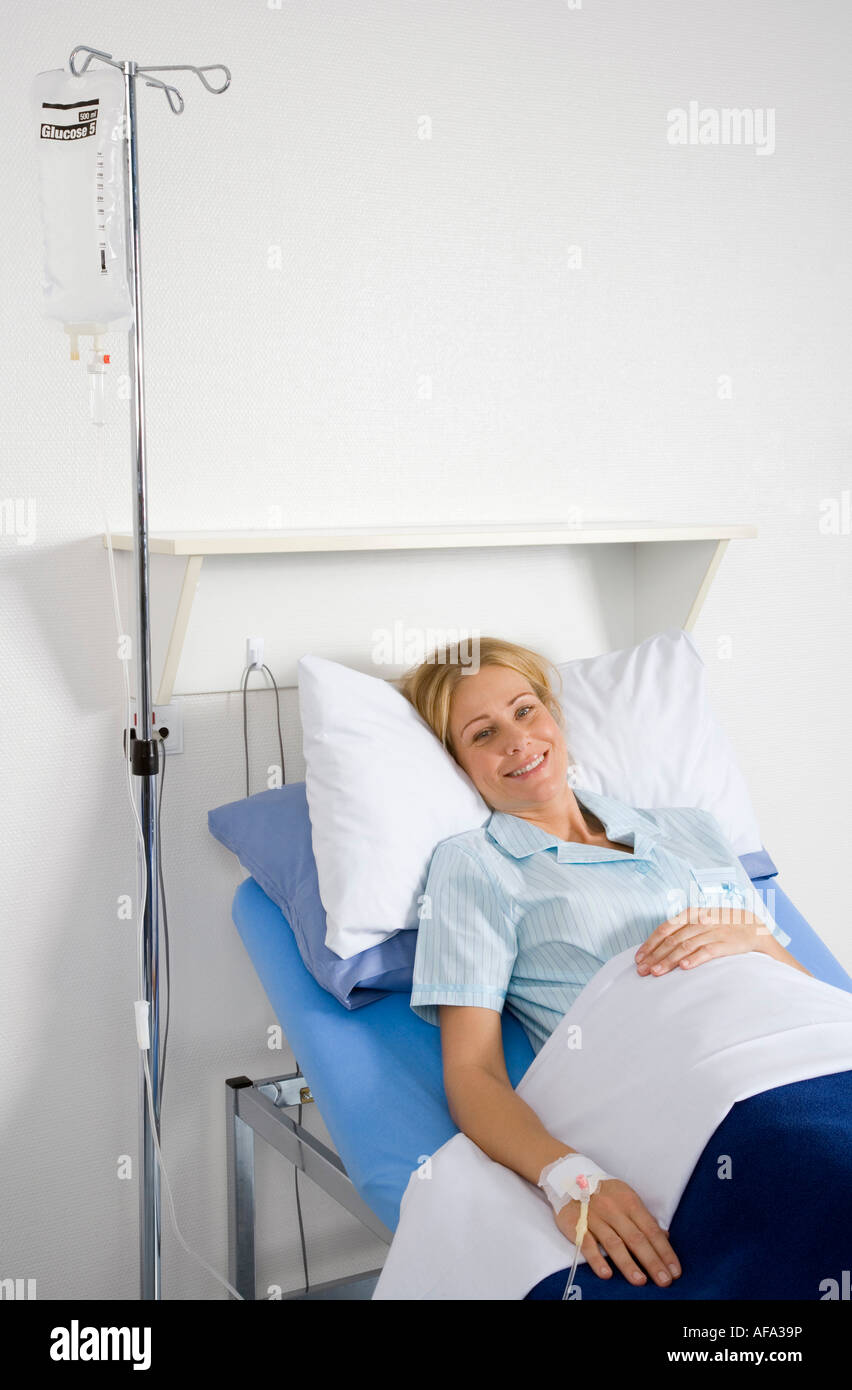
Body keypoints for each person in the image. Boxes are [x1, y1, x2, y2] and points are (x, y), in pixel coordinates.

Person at [399, 636, 811, 1293]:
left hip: (803, 1052)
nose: (517, 739)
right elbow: (472, 1072)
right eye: (484, 733)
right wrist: (572, 1179)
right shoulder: (475, 866)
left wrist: (757, 940)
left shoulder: (690, 827)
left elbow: (803, 1000)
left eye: (526, 710)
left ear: (555, 716)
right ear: (459, 765)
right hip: (696, 1090)